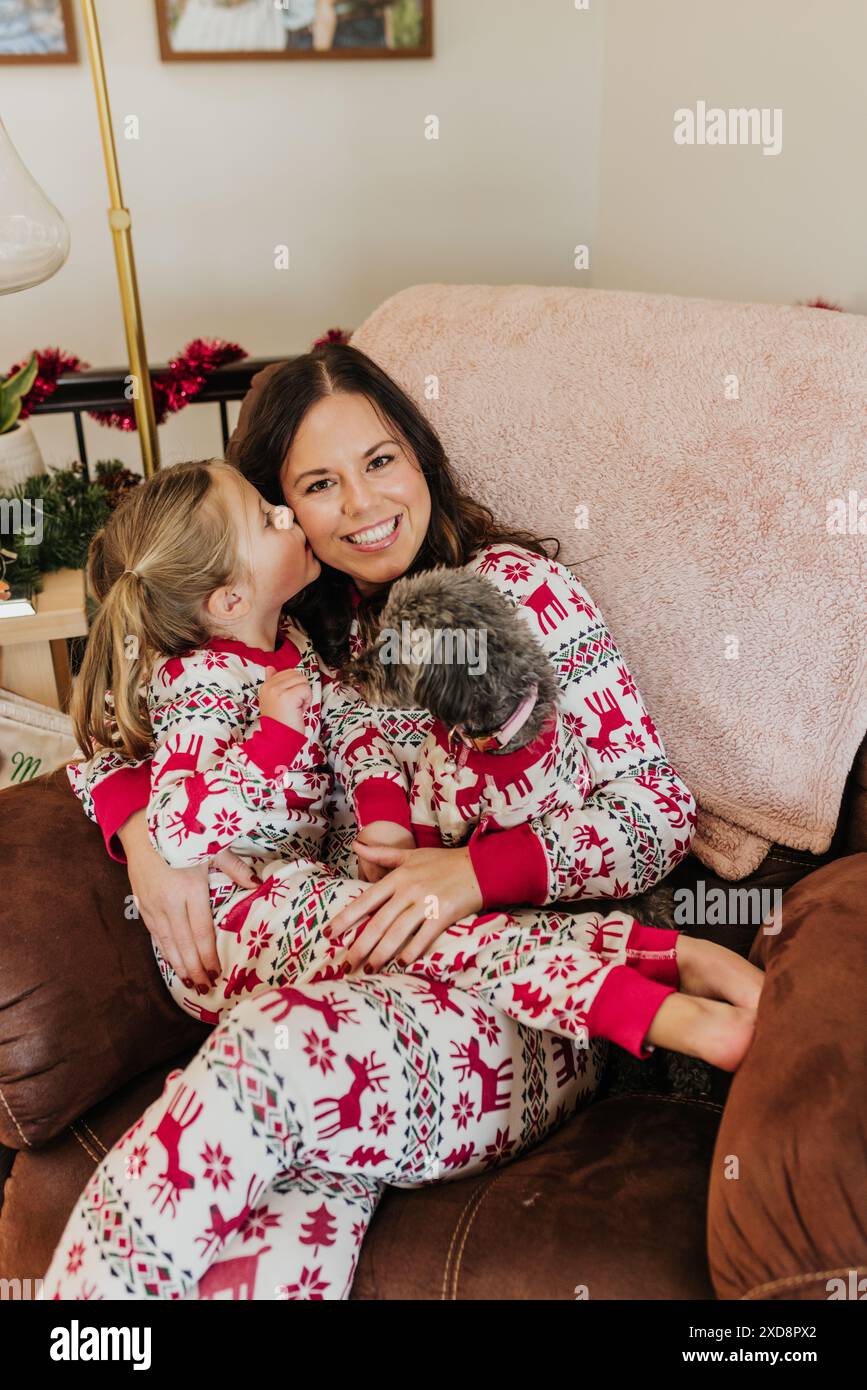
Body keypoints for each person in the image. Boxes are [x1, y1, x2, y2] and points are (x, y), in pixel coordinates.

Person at [43, 344, 760, 1300]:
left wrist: (472, 875)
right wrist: (145, 833)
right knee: (273, 1206)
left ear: (418, 456)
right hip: (348, 976)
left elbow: (656, 814)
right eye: (318, 485)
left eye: (380, 462)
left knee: (272, 1050)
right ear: (278, 514)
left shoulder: (521, 593)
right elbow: (123, 738)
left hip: (525, 1003)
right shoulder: (292, 633)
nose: (363, 504)